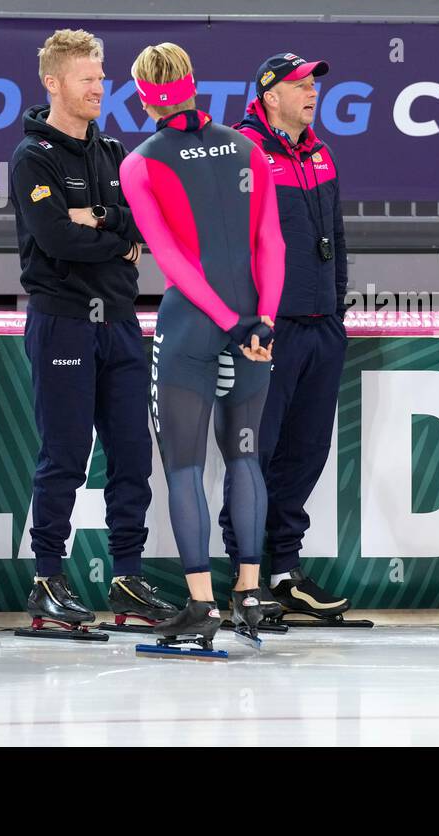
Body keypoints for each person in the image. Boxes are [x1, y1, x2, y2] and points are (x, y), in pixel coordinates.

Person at [9, 29, 177, 637]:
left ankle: (127, 578)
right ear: (52, 82)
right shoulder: (33, 156)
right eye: (86, 78)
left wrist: (102, 219)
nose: (98, 87)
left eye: (101, 77)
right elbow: (56, 239)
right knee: (65, 457)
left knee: (133, 455)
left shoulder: (113, 150)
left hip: (122, 324)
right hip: (65, 324)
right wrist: (117, 240)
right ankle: (48, 580)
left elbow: (150, 225)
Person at [119, 43, 284, 650]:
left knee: (184, 466)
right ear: (194, 84)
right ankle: (249, 592)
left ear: (144, 99)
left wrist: (226, 320)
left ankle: (202, 606)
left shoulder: (139, 163)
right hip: (253, 323)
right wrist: (260, 319)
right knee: (244, 457)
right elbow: (271, 240)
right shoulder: (249, 148)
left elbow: (171, 260)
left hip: (192, 325)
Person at [216, 52, 351, 622]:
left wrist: (336, 307)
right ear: (269, 95)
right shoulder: (242, 150)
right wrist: (247, 321)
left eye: (313, 83)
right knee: (256, 452)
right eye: (299, 84)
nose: (311, 91)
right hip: (268, 331)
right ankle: (243, 577)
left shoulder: (319, 152)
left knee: (306, 452)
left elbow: (337, 239)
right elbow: (228, 243)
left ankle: (285, 572)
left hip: (321, 326)